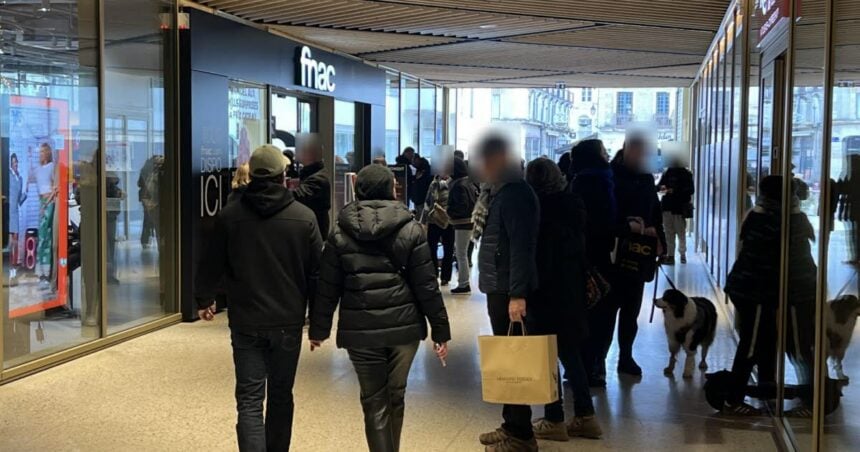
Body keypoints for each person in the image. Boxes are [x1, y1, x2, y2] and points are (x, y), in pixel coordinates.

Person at [309, 164, 450, 452]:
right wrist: (440, 331)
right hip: (404, 328)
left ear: (358, 189)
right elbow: (427, 286)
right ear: (390, 189)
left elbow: (328, 285)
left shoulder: (339, 230)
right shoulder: (411, 228)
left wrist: (319, 329)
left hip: (361, 329)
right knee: (396, 396)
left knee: (374, 401)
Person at [195, 144, 323, 452]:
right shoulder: (304, 217)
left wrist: (204, 298)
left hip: (246, 321)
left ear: (252, 175)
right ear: (283, 175)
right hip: (287, 322)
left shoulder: (230, 216)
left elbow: (212, 261)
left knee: (250, 400)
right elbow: (318, 275)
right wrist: (318, 324)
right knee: (281, 395)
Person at [525, 158, 603, 441]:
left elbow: (539, 257)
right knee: (571, 354)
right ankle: (586, 416)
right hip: (572, 289)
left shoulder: (538, 210)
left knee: (546, 356)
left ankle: (554, 417)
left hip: (546, 292)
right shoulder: (574, 205)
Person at [473, 135, 540, 452]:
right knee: (506, 359)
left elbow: (521, 248)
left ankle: (522, 436)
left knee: (515, 363)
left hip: (507, 289)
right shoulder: (498, 192)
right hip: (497, 285)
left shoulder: (515, 195)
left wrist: (517, 294)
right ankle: (511, 424)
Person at [606, 132, 666, 377]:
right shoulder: (609, 176)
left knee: (631, 311)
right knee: (607, 310)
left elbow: (655, 210)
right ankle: (599, 360)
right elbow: (603, 215)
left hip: (640, 253)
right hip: (613, 253)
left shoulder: (645, 178)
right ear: (627, 149)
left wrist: (660, 240)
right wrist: (625, 225)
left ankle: (626, 356)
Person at [567, 139, 617, 387]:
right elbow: (600, 223)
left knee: (588, 314)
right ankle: (592, 365)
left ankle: (586, 365)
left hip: (586, 259)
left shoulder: (582, 180)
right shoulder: (595, 182)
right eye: (603, 151)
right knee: (599, 314)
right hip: (596, 259)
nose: (607, 155)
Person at [447, 157, 478, 294]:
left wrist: (449, 211)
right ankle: (463, 282)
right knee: (462, 253)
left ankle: (464, 283)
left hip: (462, 223)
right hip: (469, 221)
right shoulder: (468, 182)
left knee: (461, 254)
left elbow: (462, 206)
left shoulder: (459, 185)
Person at [293, 136, 332, 239]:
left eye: (300, 149)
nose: (296, 151)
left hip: (314, 233)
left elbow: (297, 197)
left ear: (311, 153)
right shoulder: (310, 173)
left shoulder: (319, 179)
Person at [422, 166, 455, 286]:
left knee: (448, 250)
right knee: (431, 248)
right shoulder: (433, 184)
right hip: (433, 220)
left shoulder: (453, 185)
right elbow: (427, 202)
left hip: (449, 222)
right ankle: (434, 273)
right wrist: (424, 221)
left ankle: (446, 277)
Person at [658, 157, 695, 265]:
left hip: (672, 207)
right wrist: (663, 188)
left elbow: (690, 190)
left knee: (673, 233)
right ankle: (677, 255)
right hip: (675, 208)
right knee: (678, 232)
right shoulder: (684, 173)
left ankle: (674, 256)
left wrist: (673, 190)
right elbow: (690, 190)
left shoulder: (672, 172)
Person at [33, 143, 57, 291]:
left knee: (45, 237)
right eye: (39, 151)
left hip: (48, 203)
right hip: (41, 202)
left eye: (43, 151)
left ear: (48, 153)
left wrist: (46, 204)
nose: (41, 154)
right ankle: (41, 272)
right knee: (41, 237)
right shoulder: (37, 169)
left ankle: (46, 274)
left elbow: (55, 188)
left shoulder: (52, 166)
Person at [7, 153, 27, 286]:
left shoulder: (19, 178)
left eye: (17, 162)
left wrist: (26, 192)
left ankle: (12, 273)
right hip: (7, 212)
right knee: (9, 244)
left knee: (14, 244)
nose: (15, 164)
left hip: (15, 214)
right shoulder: (7, 176)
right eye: (13, 162)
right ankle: (8, 271)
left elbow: (19, 201)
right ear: (10, 163)